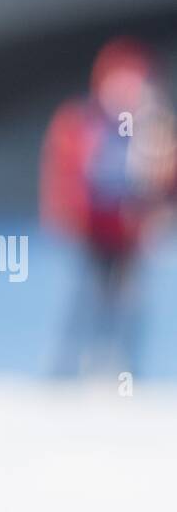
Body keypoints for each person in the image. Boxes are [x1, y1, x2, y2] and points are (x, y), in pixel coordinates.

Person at [41, 38, 177, 377]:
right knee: (85, 302)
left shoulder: (154, 129)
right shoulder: (80, 124)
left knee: (130, 305)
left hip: (131, 234)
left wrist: (159, 210)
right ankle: (67, 372)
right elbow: (65, 173)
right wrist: (66, 215)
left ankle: (123, 372)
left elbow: (167, 178)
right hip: (92, 231)